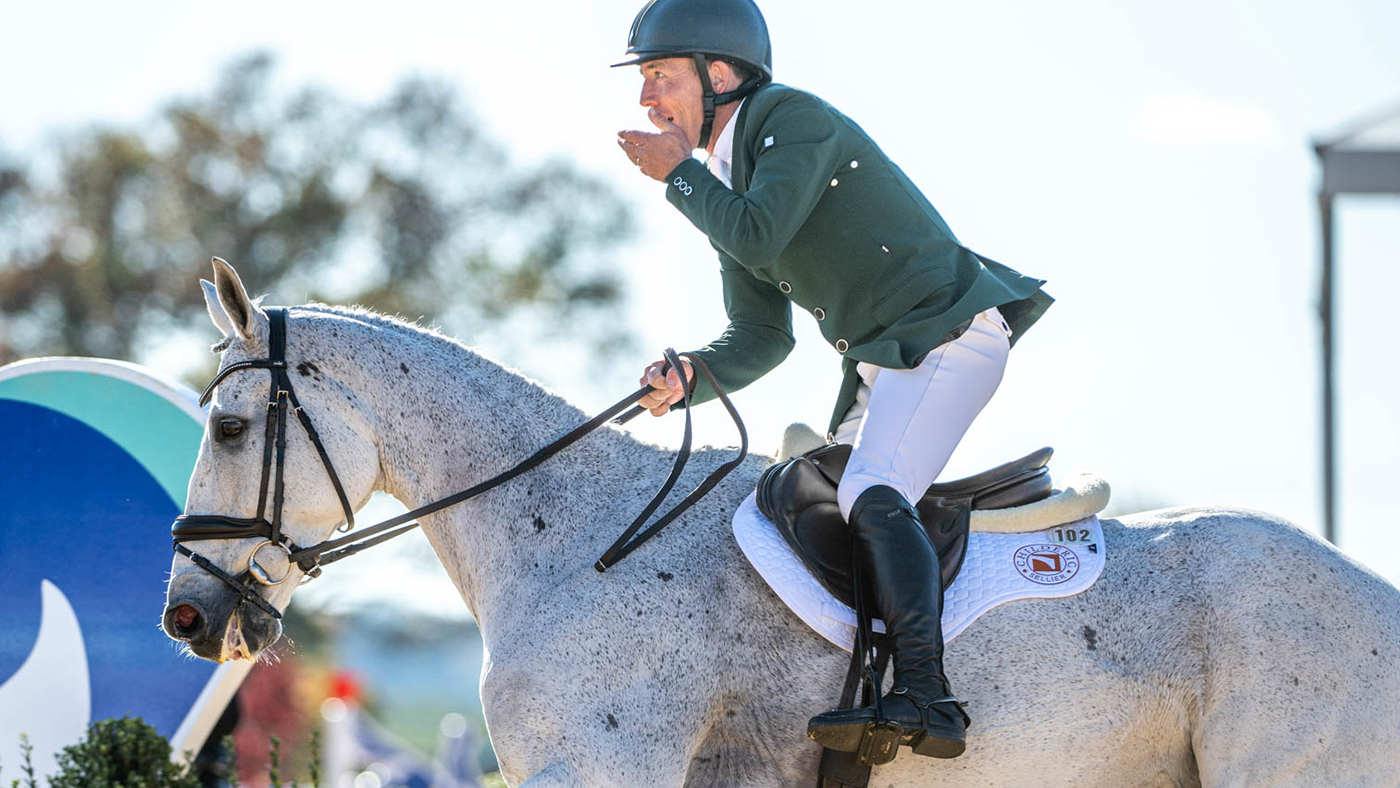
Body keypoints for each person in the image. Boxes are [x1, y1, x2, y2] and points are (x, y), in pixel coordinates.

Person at [614, 0, 1052, 761]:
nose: (647, 99)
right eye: (644, 79)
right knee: (818, 490)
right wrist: (693, 376)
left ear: (721, 74)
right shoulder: (724, 177)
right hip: (886, 362)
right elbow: (762, 336)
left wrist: (678, 176)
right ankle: (861, 682)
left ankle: (930, 697)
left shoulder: (792, 119)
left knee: (869, 489)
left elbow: (757, 237)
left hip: (947, 338)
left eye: (661, 75)